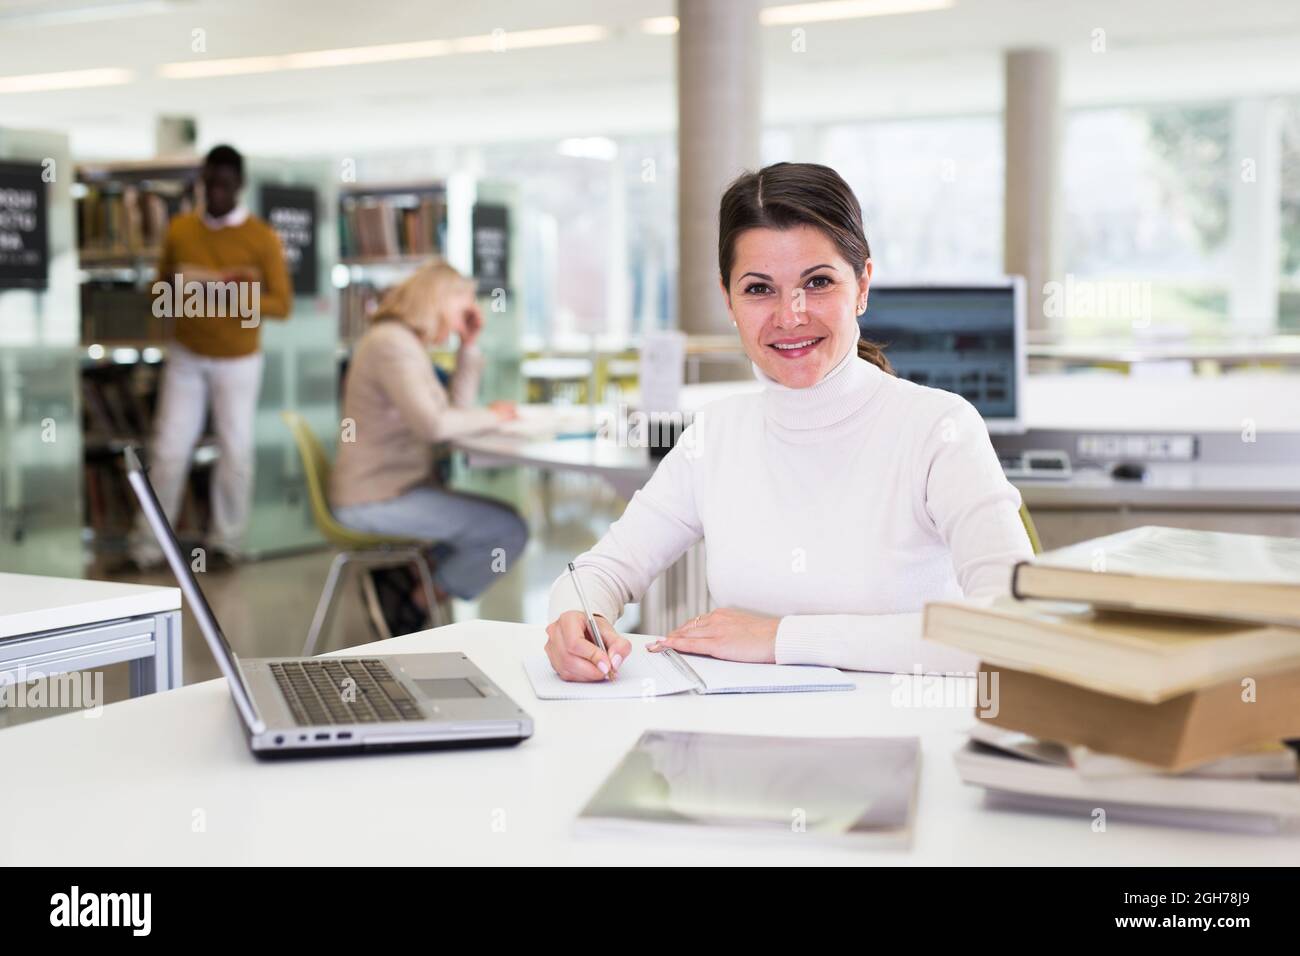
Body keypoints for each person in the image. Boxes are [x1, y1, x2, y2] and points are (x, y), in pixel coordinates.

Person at [543, 161, 1032, 681]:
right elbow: (597, 571)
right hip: (745, 745)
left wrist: (782, 638)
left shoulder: (939, 429)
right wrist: (578, 618)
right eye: (758, 289)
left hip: (902, 748)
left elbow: (1016, 632)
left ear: (863, 284)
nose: (790, 315)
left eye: (817, 282)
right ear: (728, 298)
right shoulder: (715, 435)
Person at [330, 260, 528, 627]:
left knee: (497, 523)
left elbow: (455, 413)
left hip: (392, 490)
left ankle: (401, 584)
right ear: (437, 300)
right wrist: (497, 416)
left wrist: (468, 347)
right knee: (506, 531)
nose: (461, 322)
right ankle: (410, 604)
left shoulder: (401, 342)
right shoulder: (392, 344)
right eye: (461, 311)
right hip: (374, 499)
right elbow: (435, 425)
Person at [127, 144, 292, 568]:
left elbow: (282, 305)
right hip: (186, 355)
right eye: (209, 183)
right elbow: (156, 293)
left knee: (235, 450)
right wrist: (178, 293)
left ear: (240, 185)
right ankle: (147, 547)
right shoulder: (181, 230)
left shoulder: (262, 237)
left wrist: (233, 292)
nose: (215, 192)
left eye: (224, 184)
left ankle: (226, 544)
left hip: (238, 359)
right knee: (167, 450)